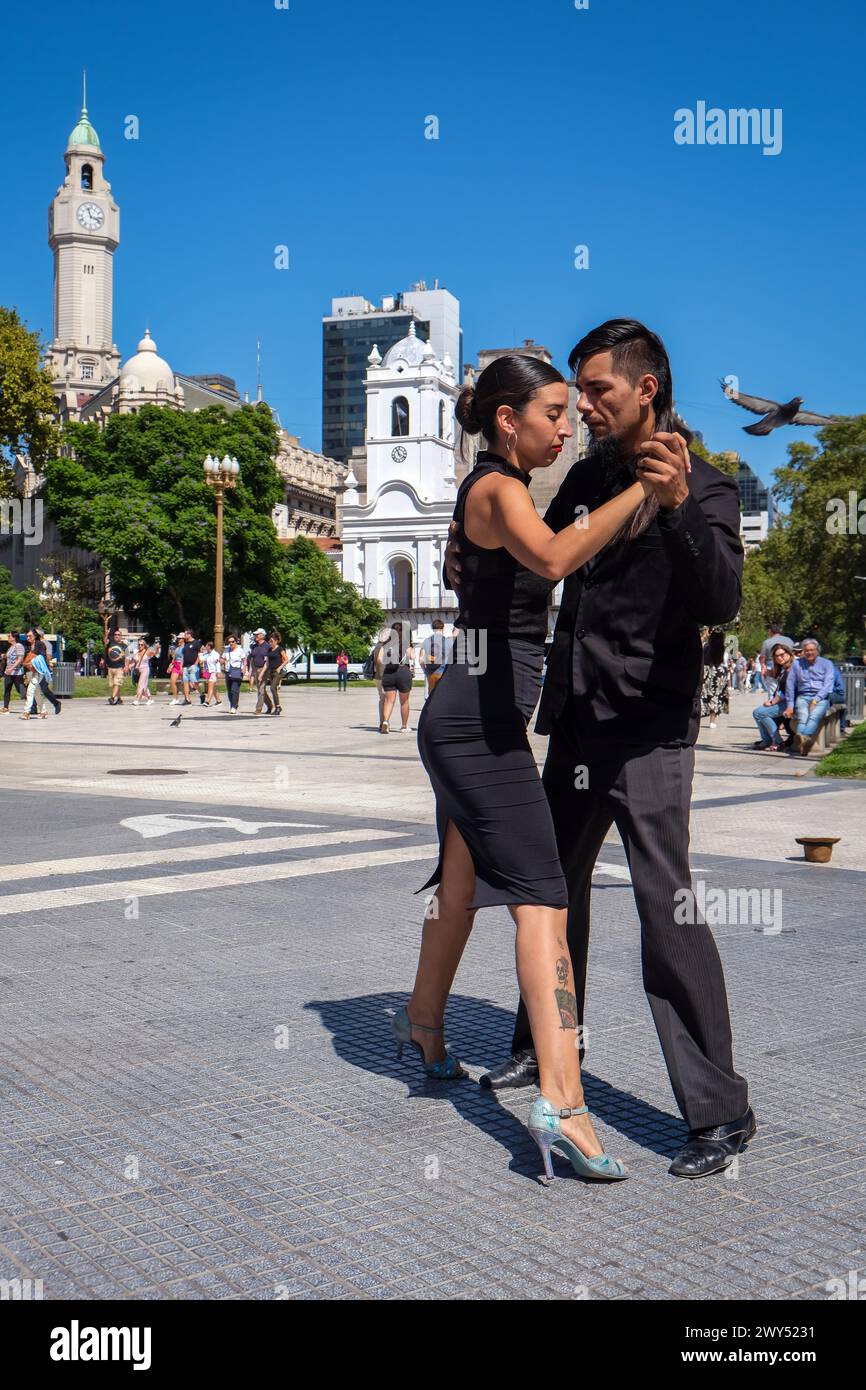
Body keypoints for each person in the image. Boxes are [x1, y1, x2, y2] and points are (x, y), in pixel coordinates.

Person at [446, 319, 753, 1180]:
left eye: (598, 391)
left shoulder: (709, 486)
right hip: (576, 721)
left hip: (651, 730)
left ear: (646, 388)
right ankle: (538, 1055)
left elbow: (722, 599)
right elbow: (538, 555)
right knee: (551, 895)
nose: (583, 406)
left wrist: (680, 506)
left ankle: (720, 1111)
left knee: (669, 910)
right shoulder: (585, 475)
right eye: (576, 393)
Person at [402, 352, 667, 1184]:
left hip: (467, 716)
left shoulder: (492, 486)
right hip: (478, 726)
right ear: (507, 419)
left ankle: (424, 1026)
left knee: (457, 888)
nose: (567, 423)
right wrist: (647, 489)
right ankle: (564, 1099)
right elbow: (556, 559)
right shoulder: (498, 490)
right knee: (544, 902)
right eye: (554, 411)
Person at [783, 638, 836, 755]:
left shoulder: (827, 664)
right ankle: (805, 740)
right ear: (803, 651)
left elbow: (827, 686)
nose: (809, 652)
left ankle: (801, 737)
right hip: (803, 696)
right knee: (803, 716)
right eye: (806, 650)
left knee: (814, 716)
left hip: (821, 697)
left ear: (817, 650)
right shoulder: (797, 664)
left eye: (812, 650)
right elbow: (790, 685)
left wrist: (815, 701)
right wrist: (790, 706)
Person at [752, 641, 795, 750]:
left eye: (782, 655)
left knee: (759, 713)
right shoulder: (784, 669)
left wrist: (772, 701)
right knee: (758, 713)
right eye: (777, 656)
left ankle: (778, 742)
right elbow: (780, 688)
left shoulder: (793, 669)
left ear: (789, 654)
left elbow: (787, 691)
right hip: (784, 701)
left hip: (791, 702)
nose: (780, 658)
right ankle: (768, 740)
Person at [377, 625, 415, 733]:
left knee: (389, 701)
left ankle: (385, 721)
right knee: (404, 701)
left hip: (389, 673)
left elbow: (379, 660)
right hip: (403, 672)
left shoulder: (385, 645)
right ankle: (404, 726)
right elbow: (412, 657)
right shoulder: (406, 644)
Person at [701, 629, 730, 729]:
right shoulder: (724, 649)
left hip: (707, 672)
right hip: (719, 672)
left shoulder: (706, 647)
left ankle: (700, 715)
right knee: (716, 696)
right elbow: (725, 662)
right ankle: (712, 720)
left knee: (705, 695)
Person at [418, 619, 453, 698]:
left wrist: (425, 672)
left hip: (431, 672)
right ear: (443, 628)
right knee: (444, 696)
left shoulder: (426, 641)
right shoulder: (449, 642)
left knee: (431, 698)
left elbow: (421, 659)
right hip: (444, 673)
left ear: (432, 628)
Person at [759, 624, 793, 688]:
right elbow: (793, 653)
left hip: (772, 667)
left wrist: (763, 667)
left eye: (768, 631)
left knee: (773, 690)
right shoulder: (789, 640)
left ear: (771, 631)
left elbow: (762, 657)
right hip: (788, 666)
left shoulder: (767, 642)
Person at [249, 628, 272, 714]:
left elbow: (267, 661)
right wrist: (250, 671)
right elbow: (252, 658)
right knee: (260, 689)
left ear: (262, 635)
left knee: (261, 689)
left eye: (257, 635)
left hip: (263, 669)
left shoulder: (267, 646)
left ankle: (258, 709)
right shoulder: (254, 646)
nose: (256, 636)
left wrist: (261, 674)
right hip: (255, 668)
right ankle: (270, 705)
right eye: (255, 635)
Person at [222, 635, 247, 713]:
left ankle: (233, 707)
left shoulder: (240, 650)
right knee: (229, 691)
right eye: (229, 642)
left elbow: (244, 660)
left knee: (234, 689)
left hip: (237, 671)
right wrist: (221, 661)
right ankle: (233, 704)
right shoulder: (226, 650)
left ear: (236, 642)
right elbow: (222, 659)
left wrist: (244, 669)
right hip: (228, 671)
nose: (231, 643)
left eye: (233, 641)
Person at [2, 632, 27, 711]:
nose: (8, 637)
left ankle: (32, 705)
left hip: (17, 673)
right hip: (8, 672)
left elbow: (20, 659)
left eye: (9, 636)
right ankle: (6, 707)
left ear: (14, 637)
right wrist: (4, 656)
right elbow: (11, 657)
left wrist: (12, 668)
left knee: (21, 690)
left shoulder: (19, 646)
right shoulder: (11, 647)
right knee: (7, 689)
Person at [179, 630, 203, 706]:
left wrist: (195, 664)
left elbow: (199, 654)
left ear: (189, 634)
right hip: (185, 666)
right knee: (185, 682)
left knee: (194, 682)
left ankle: (201, 694)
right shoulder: (185, 644)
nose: (184, 636)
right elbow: (183, 655)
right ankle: (187, 699)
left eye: (185, 634)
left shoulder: (196, 643)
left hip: (193, 666)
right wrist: (181, 666)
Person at [104, 629, 126, 705]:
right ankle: (119, 699)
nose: (116, 636)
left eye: (118, 635)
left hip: (119, 667)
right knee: (114, 684)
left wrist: (127, 666)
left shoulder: (124, 646)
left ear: (121, 636)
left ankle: (112, 698)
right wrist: (106, 634)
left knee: (117, 683)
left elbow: (128, 657)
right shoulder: (110, 643)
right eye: (115, 634)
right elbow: (105, 641)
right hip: (110, 667)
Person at [265, 632, 285, 715]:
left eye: (272, 641)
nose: (270, 643)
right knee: (274, 689)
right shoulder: (269, 650)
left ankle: (278, 707)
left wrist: (280, 668)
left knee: (273, 688)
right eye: (269, 641)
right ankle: (277, 707)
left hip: (277, 672)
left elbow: (286, 659)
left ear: (276, 641)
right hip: (270, 671)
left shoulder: (280, 649)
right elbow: (267, 662)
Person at [131, 638, 155, 706]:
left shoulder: (147, 651)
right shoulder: (136, 653)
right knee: (144, 686)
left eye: (142, 645)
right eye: (139, 645)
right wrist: (129, 666)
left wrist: (157, 648)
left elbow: (155, 654)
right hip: (138, 670)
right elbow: (134, 663)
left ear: (144, 645)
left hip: (145, 670)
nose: (140, 646)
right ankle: (150, 699)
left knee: (140, 685)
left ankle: (137, 700)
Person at [201, 641, 223, 706]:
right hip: (207, 672)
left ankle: (207, 701)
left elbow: (217, 663)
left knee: (210, 686)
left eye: (206, 646)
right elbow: (201, 659)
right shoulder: (206, 654)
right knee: (212, 687)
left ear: (209, 646)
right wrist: (202, 652)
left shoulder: (215, 654)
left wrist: (218, 672)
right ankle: (218, 701)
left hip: (213, 672)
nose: (205, 647)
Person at [168, 638, 184, 704]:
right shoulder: (177, 649)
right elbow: (174, 659)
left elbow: (185, 658)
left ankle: (187, 698)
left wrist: (182, 667)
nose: (180, 643)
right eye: (179, 642)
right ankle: (175, 699)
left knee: (185, 684)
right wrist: (170, 666)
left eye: (181, 642)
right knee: (172, 682)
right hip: (176, 665)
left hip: (182, 665)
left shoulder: (185, 648)